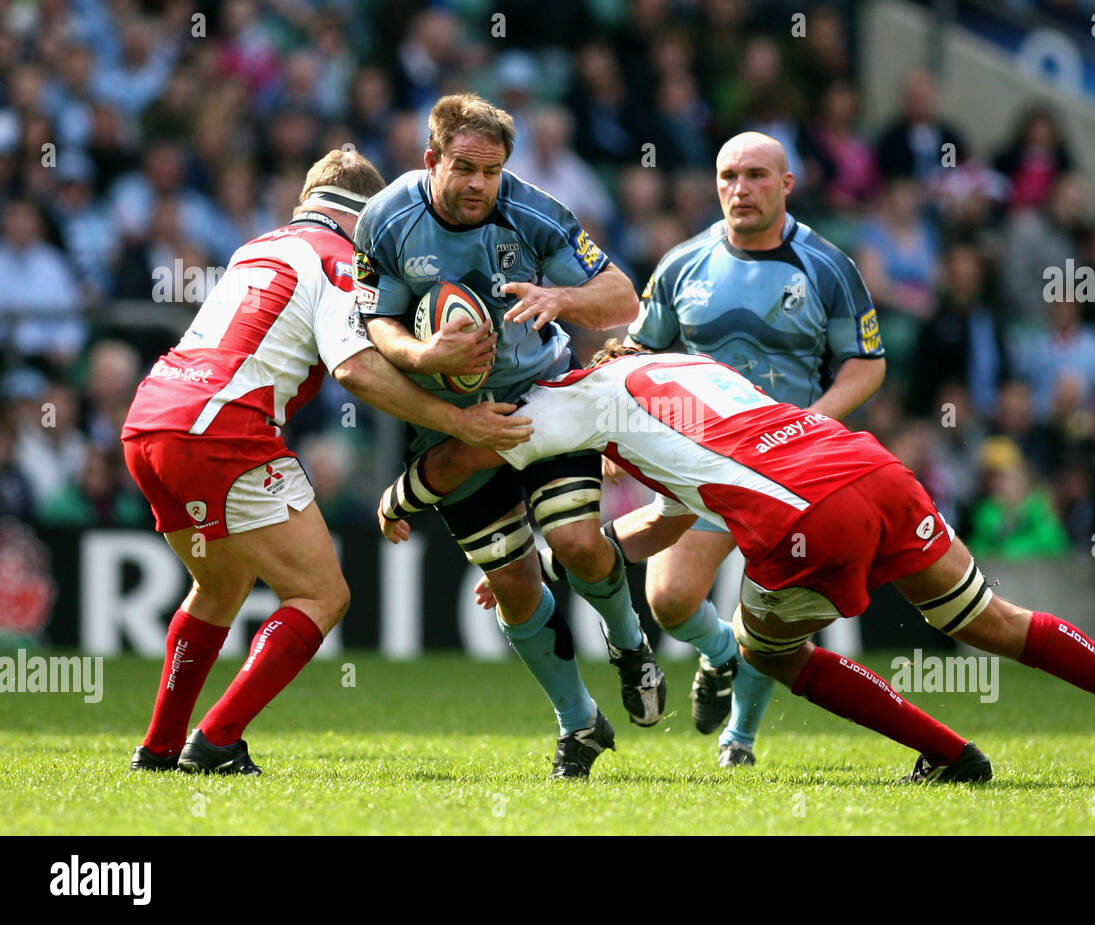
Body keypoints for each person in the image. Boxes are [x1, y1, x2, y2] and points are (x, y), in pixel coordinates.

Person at [380, 344, 1095, 787]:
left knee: (771, 654)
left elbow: (481, 443)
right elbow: (672, 511)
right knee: (991, 620)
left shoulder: (580, 396)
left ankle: (949, 752)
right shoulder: (686, 370)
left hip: (806, 514)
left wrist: (408, 494)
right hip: (871, 467)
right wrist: (560, 563)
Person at [122, 149, 532, 775]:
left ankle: (157, 749)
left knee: (220, 585)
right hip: (222, 431)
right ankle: (216, 743)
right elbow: (356, 369)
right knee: (322, 594)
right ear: (367, 215)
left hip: (152, 421)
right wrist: (457, 418)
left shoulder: (257, 246)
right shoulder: (342, 259)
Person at [353, 93, 663, 779]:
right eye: (463, 167)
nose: (478, 185)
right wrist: (420, 355)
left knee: (580, 544)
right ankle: (578, 723)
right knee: (517, 585)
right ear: (431, 158)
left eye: (491, 171)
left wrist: (562, 299)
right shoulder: (386, 220)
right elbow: (377, 322)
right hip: (453, 423)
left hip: (541, 397)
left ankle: (628, 641)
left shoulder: (531, 210)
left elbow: (623, 294)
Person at [625, 131, 885, 766]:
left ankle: (739, 739)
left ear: (787, 185)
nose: (740, 189)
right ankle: (717, 656)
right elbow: (639, 353)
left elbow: (868, 363)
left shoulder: (828, 267)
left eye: (757, 176)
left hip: (793, 469)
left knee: (769, 617)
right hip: (702, 462)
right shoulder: (681, 264)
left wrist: (811, 424)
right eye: (728, 176)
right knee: (669, 599)